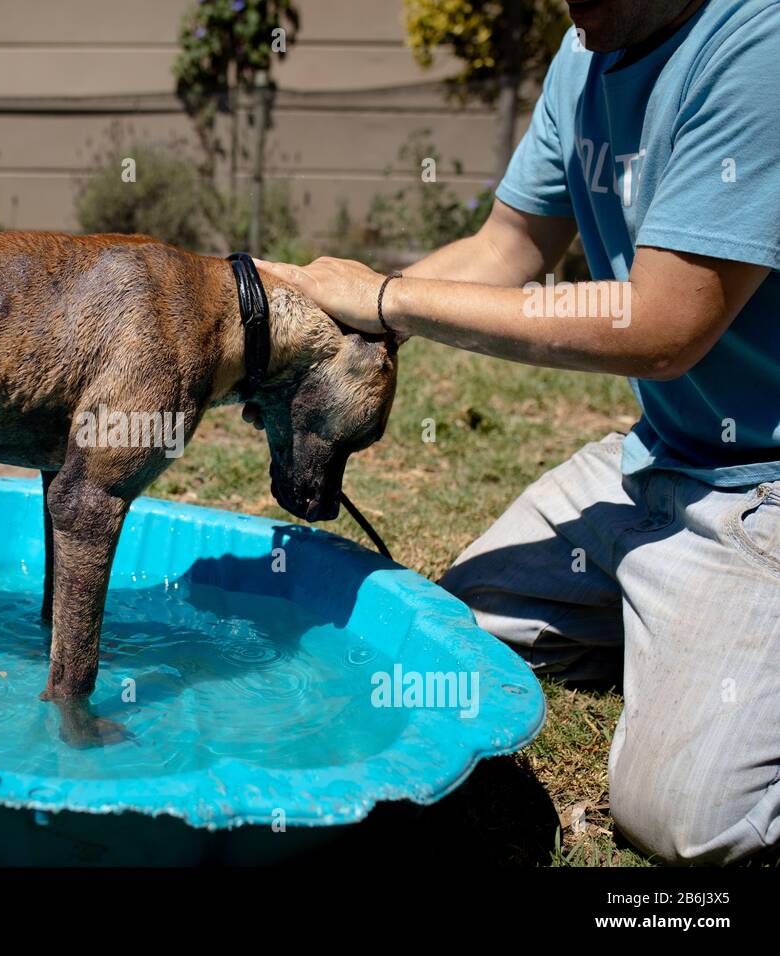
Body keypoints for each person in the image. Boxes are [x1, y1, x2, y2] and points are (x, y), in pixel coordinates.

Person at [255, 0, 780, 864]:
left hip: (757, 486)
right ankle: (675, 631)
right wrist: (331, 328)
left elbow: (660, 329)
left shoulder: (756, 44)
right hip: (655, 461)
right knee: (442, 633)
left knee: (683, 821)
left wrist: (389, 300)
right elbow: (507, 247)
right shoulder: (590, 51)